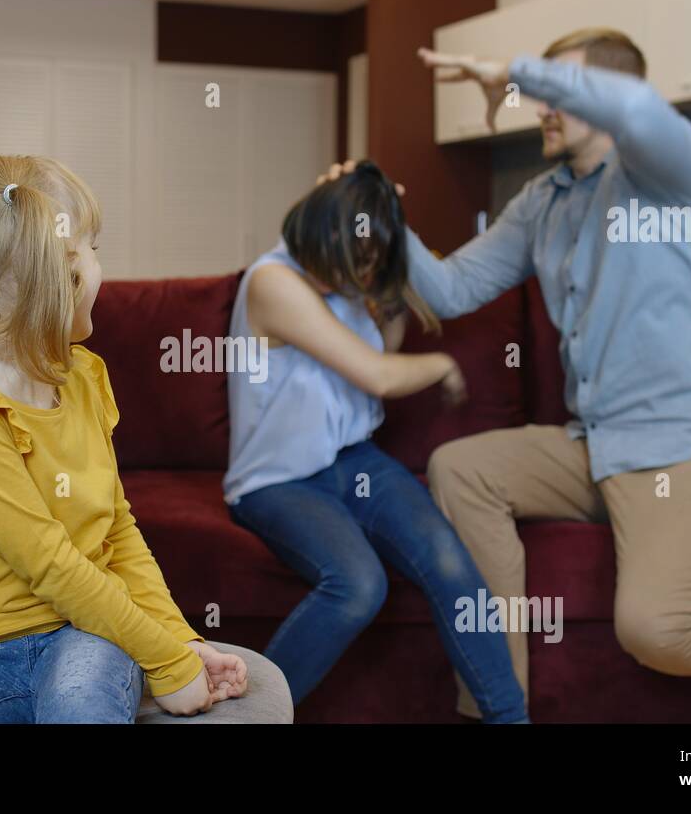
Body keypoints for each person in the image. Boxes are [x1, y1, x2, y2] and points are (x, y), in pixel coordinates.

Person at [405, 27, 691, 722]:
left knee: (654, 626)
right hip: (597, 440)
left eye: (560, 89)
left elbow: (639, 113)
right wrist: (373, 213)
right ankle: (500, 705)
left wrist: (516, 71)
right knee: (460, 467)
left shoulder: (672, 172)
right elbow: (452, 287)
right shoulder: (541, 202)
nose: (540, 106)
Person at [0, 153, 247, 723]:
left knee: (81, 706)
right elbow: (52, 565)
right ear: (57, 276)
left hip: (87, 630)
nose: (102, 267)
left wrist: (179, 646)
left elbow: (118, 530)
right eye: (93, 249)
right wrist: (169, 663)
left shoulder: (84, 380)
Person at [222, 160, 529, 723]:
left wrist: (387, 300)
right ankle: (243, 717)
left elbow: (378, 350)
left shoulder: (343, 273)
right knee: (359, 585)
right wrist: (441, 363)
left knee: (450, 561)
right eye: (355, 265)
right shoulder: (273, 282)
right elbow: (378, 377)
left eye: (369, 267)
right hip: (278, 481)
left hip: (355, 461)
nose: (360, 277)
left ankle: (511, 719)